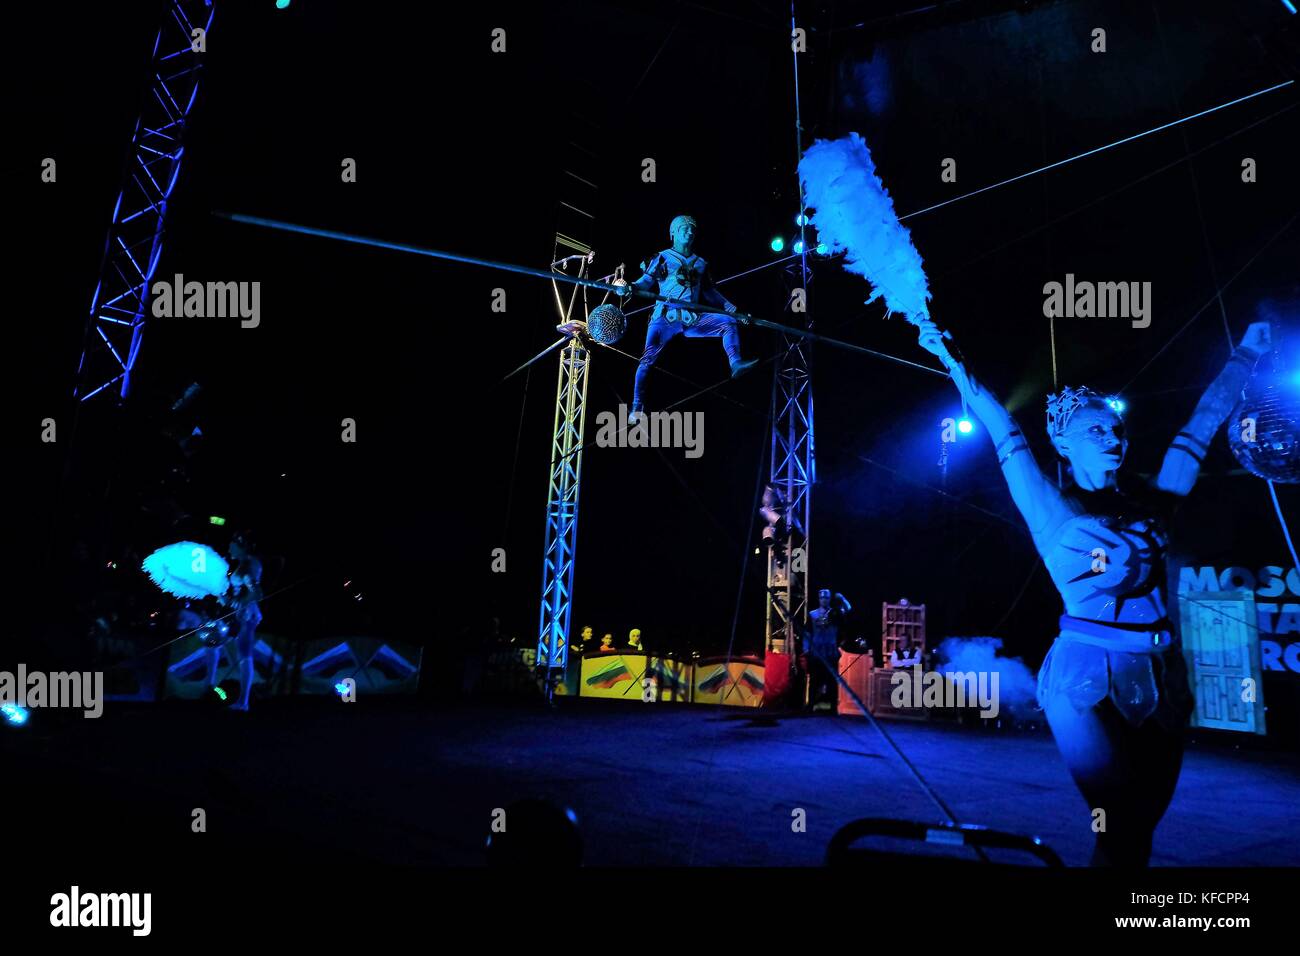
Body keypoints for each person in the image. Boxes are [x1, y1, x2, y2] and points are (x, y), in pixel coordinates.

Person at [914, 313, 1269, 866]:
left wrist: (1244, 355)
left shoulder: (1156, 498)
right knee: (1117, 821)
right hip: (1085, 673)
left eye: (1117, 428)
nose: (1113, 437)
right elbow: (1000, 424)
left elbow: (1201, 424)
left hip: (1162, 673)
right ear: (1061, 441)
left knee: (1142, 827)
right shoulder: (1053, 508)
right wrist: (953, 359)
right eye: (1095, 430)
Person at [621, 215, 758, 421]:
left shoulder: (701, 263)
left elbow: (712, 294)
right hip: (665, 317)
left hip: (692, 318)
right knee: (646, 361)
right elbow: (645, 282)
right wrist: (629, 288)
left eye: (693, 228)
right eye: (684, 228)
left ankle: (735, 363)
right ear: (673, 232)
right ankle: (637, 407)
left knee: (727, 322)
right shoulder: (663, 257)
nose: (689, 231)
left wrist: (735, 311)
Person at [219, 530, 264, 711]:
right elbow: (243, 594)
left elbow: (257, 593)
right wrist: (228, 601)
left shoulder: (250, 564)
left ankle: (244, 702)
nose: (229, 547)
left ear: (240, 545)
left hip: (247, 616)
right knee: (236, 652)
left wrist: (239, 603)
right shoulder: (244, 564)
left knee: (245, 657)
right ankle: (242, 697)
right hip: (241, 615)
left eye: (232, 544)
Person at [805, 589, 851, 712]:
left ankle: (832, 707)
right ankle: (811, 705)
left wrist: (841, 597)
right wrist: (806, 648)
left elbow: (848, 608)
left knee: (831, 680)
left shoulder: (835, 613)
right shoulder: (812, 614)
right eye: (822, 598)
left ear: (829, 599)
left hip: (830, 651)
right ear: (819, 599)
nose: (824, 600)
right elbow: (808, 632)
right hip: (816, 651)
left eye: (826, 598)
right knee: (814, 679)